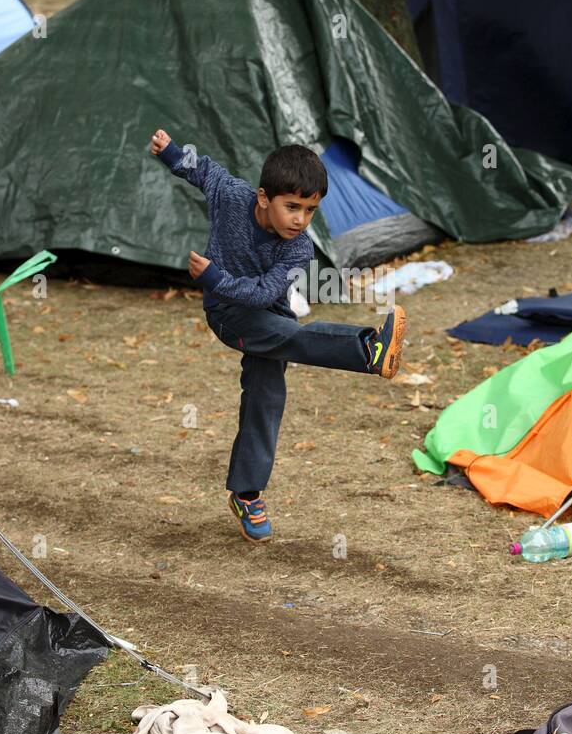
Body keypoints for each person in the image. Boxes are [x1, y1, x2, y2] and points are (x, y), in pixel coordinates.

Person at [150, 128, 407, 542]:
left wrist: (215, 275)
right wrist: (170, 152)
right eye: (292, 207)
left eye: (310, 210)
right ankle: (367, 349)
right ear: (263, 197)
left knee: (266, 399)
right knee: (289, 335)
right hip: (228, 314)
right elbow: (205, 172)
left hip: (265, 312)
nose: (300, 220)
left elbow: (265, 294)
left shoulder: (299, 248)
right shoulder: (232, 197)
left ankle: (246, 493)